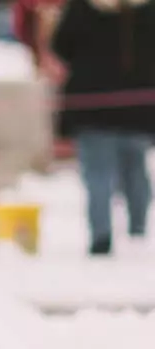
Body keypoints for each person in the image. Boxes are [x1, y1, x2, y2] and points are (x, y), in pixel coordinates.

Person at [52, 0, 155, 255]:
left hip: (92, 108)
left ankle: (101, 235)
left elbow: (61, 46)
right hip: (137, 106)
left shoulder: (82, 8)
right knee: (135, 170)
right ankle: (138, 233)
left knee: (98, 175)